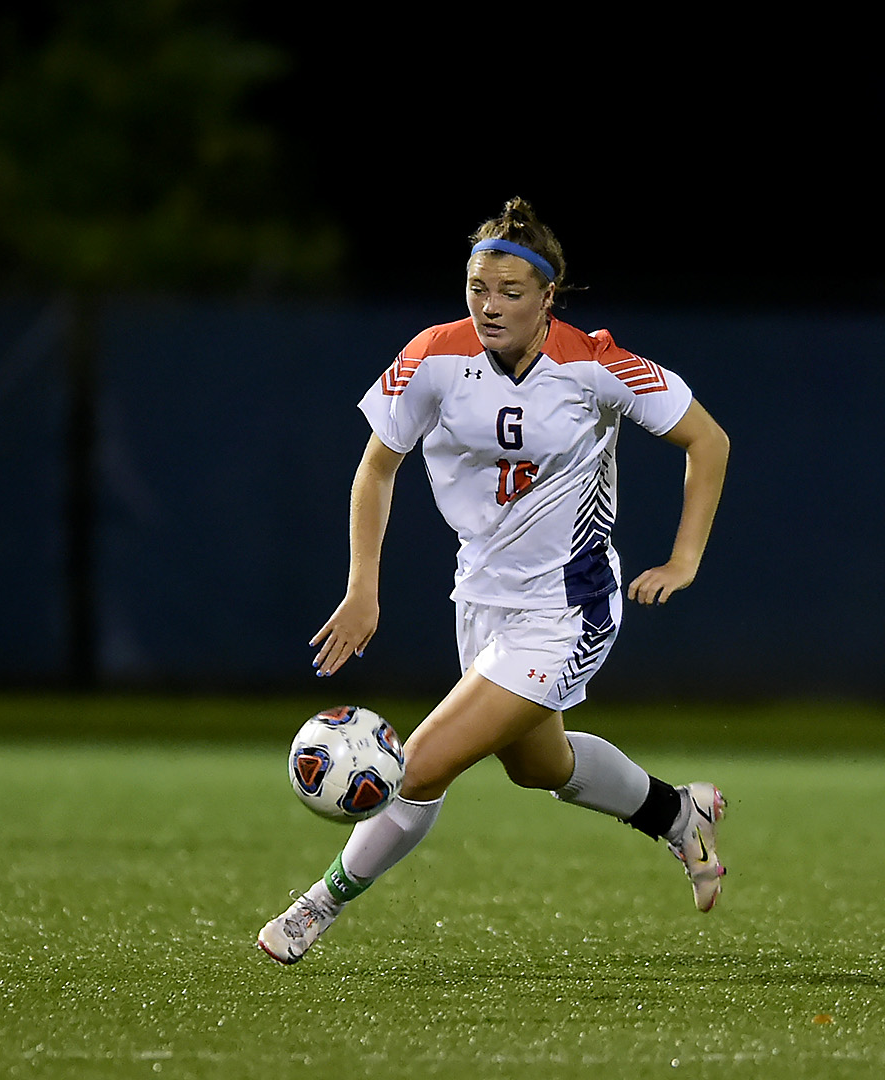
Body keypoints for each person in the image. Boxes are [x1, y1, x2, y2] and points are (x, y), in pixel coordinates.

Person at [258, 198, 732, 964]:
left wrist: (685, 559)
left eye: (511, 291)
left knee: (423, 762)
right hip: (479, 597)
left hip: (567, 606)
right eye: (479, 287)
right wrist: (362, 587)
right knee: (538, 766)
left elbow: (707, 441)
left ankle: (316, 909)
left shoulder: (595, 363)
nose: (490, 305)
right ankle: (678, 814)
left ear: (549, 298)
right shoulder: (433, 357)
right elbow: (377, 467)